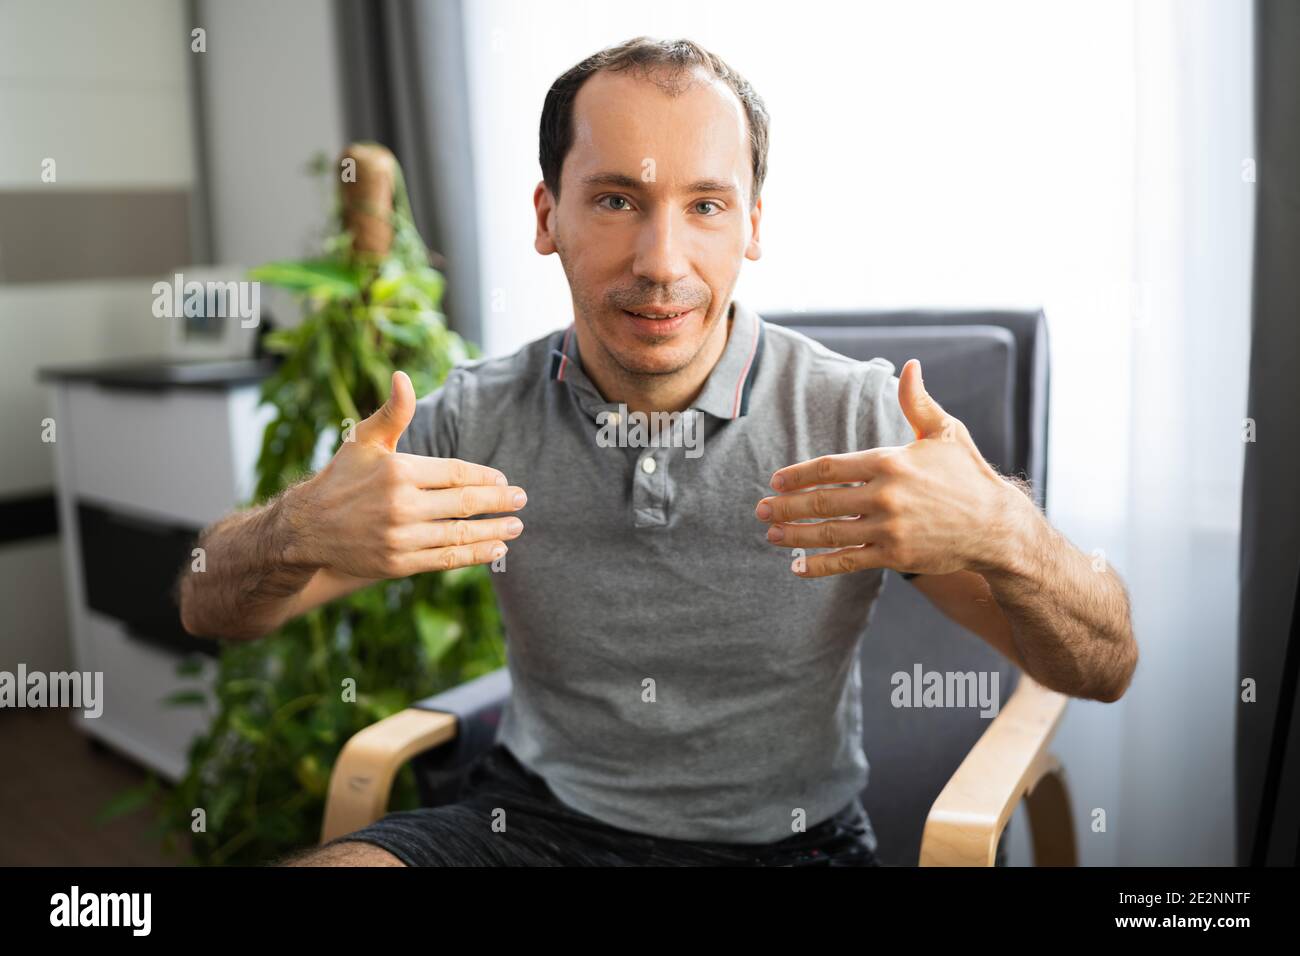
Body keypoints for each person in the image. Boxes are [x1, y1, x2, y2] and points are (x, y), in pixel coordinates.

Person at [181, 36, 1138, 867]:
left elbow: (1104, 666)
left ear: (754, 223)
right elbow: (208, 600)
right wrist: (298, 526)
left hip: (789, 847)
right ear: (547, 214)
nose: (661, 261)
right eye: (615, 200)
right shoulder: (477, 416)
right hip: (528, 825)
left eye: (707, 205)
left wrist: (1005, 527)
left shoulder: (854, 419)